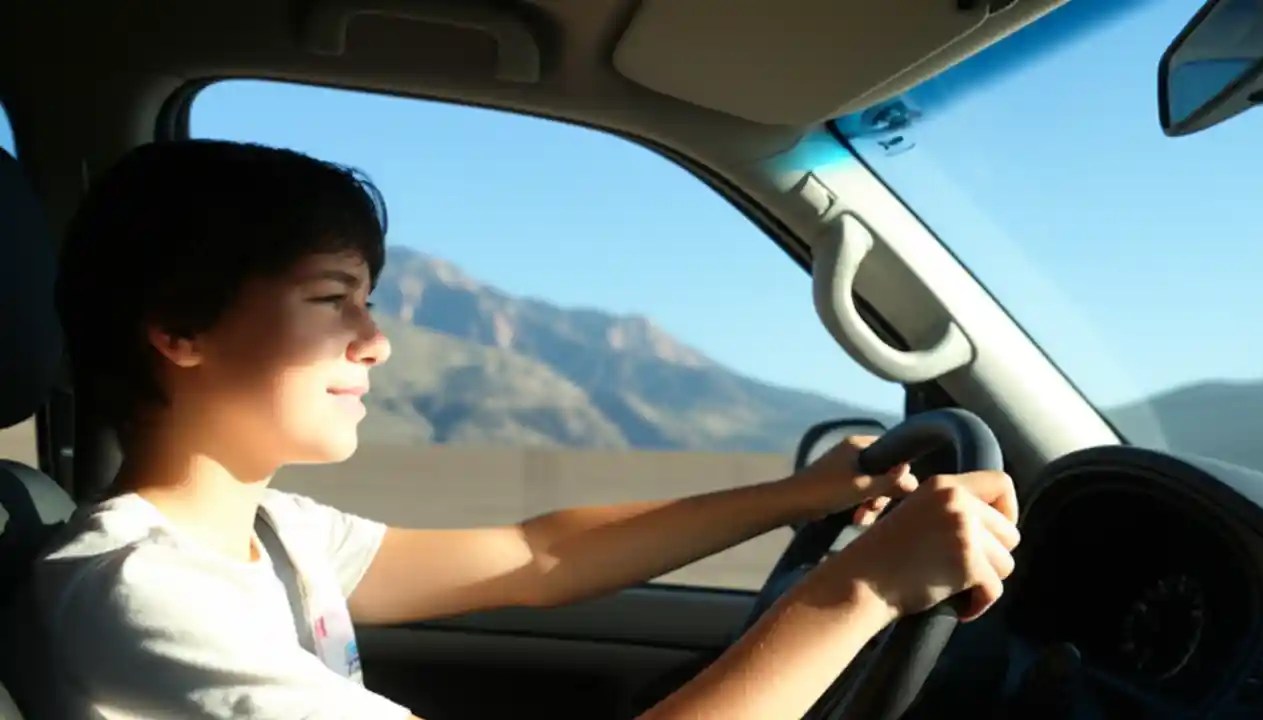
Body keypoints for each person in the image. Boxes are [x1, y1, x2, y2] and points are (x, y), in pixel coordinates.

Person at [23, 140, 1020, 719]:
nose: (376, 344)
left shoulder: (277, 531)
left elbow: (535, 552)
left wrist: (806, 494)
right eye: (333, 300)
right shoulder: (134, 590)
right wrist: (861, 588)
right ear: (178, 331)